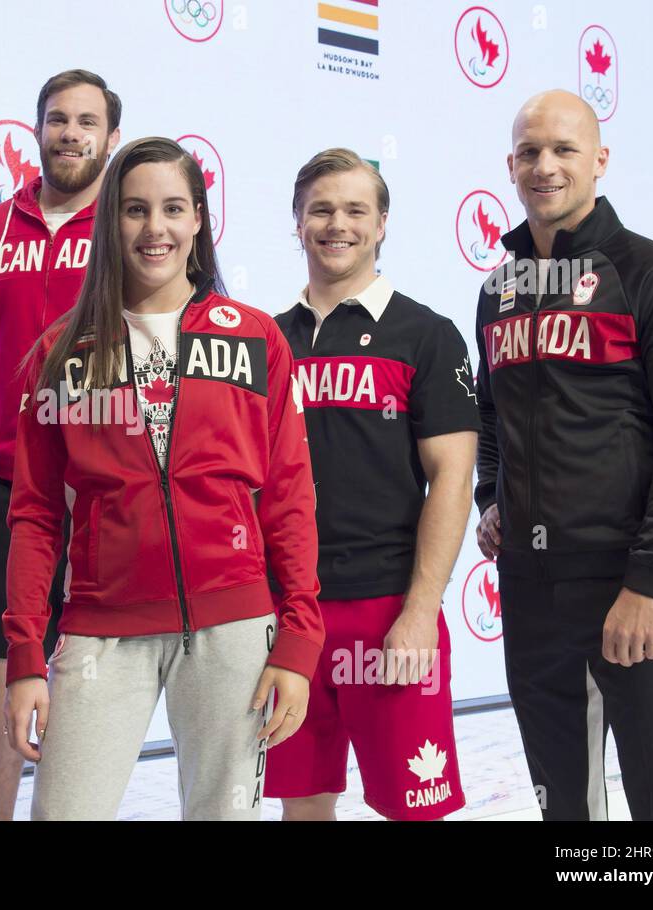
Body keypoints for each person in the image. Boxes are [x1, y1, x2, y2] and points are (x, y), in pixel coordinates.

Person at [3, 137, 325, 820]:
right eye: (135, 210)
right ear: (109, 222)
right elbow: (35, 514)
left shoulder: (255, 339)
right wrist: (27, 652)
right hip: (102, 627)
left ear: (200, 220)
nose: (156, 229)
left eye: (174, 208)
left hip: (234, 625)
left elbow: (290, 497)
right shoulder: (59, 353)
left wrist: (298, 641)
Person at [473, 90, 653, 820]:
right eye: (529, 152)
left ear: (600, 161)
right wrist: (492, 497)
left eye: (564, 150)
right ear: (511, 165)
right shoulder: (499, 292)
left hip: (634, 583)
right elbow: (492, 411)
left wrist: (648, 580)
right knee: (566, 808)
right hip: (531, 590)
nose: (544, 166)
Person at [266, 149, 480, 821]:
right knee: (303, 805)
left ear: (382, 224)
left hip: (388, 611)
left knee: (412, 809)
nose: (338, 224)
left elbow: (453, 477)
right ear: (297, 223)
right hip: (288, 615)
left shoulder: (427, 336)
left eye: (357, 210)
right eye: (321, 209)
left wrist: (420, 612)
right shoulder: (265, 342)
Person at [0, 69, 121, 819]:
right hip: (6, 491)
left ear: (112, 137)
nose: (71, 133)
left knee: (86, 693)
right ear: (37, 130)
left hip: (101, 496)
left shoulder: (129, 232)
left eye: (87, 121)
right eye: (57, 119)